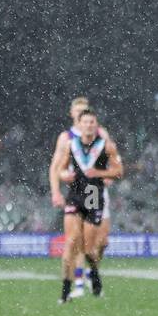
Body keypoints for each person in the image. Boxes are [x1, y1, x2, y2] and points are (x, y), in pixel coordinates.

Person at [51, 108, 123, 302]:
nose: (89, 125)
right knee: (71, 242)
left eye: (92, 122)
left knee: (89, 248)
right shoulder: (70, 145)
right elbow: (60, 169)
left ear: (96, 125)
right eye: (85, 122)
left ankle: (94, 274)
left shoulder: (106, 146)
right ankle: (65, 292)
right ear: (79, 125)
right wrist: (64, 175)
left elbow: (118, 171)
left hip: (93, 196)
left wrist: (99, 174)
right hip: (75, 196)